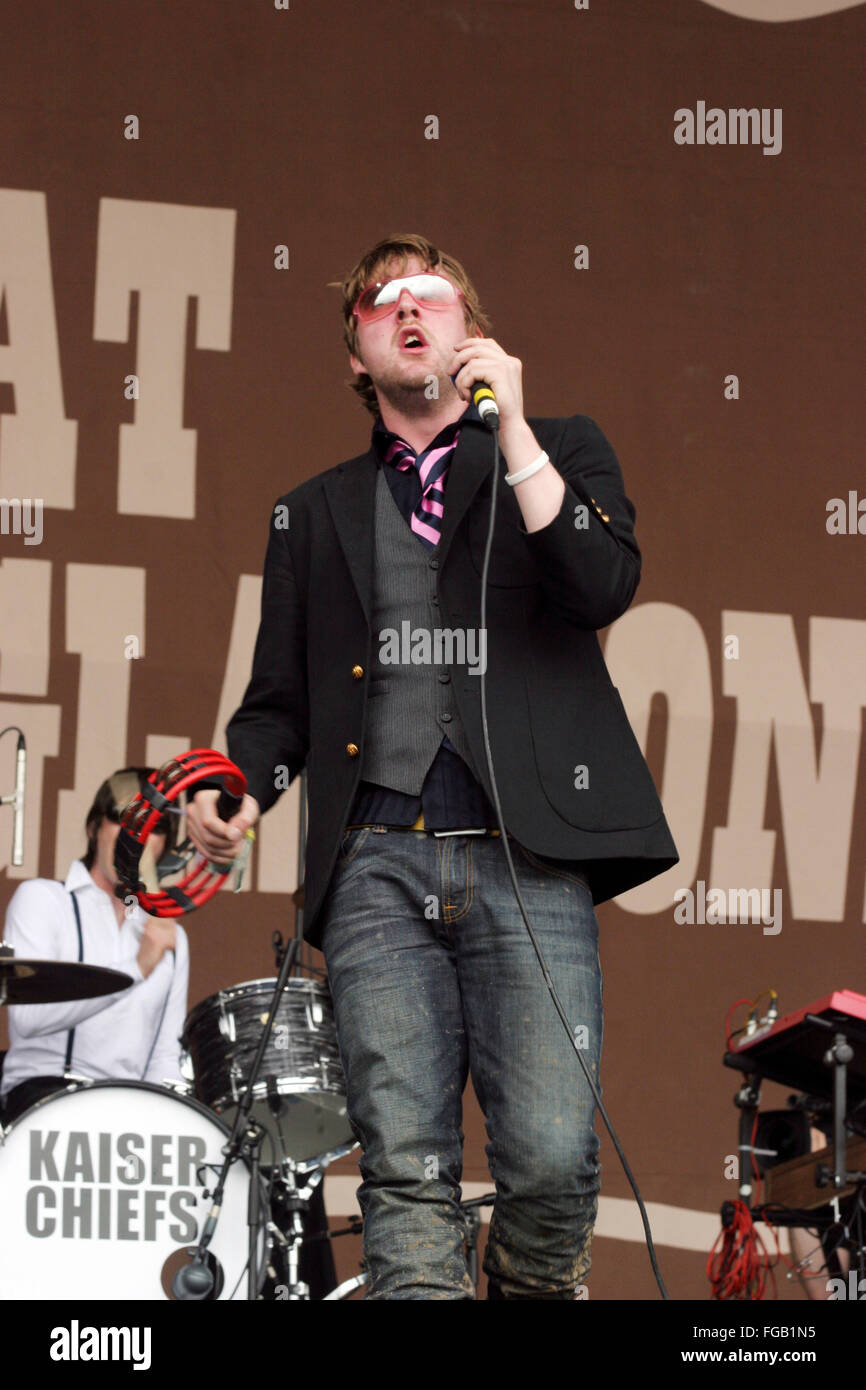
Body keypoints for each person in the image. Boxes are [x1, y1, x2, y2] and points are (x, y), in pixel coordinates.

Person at [186, 233, 679, 1299]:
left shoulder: (558, 451)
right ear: (356, 358)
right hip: (375, 858)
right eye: (380, 303)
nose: (408, 311)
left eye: (433, 297)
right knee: (406, 1173)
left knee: (550, 1160)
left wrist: (516, 437)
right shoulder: (312, 512)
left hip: (525, 850)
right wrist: (236, 789)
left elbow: (600, 583)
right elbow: (279, 703)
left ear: (471, 333)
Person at [0, 767, 188, 1123]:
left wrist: (167, 1121)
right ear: (93, 828)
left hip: (131, 1115)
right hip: (44, 1100)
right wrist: (137, 968)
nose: (137, 836)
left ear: (165, 844)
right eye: (123, 818)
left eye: (154, 826)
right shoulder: (43, 899)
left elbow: (166, 1054)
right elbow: (27, 1019)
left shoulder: (166, 931)